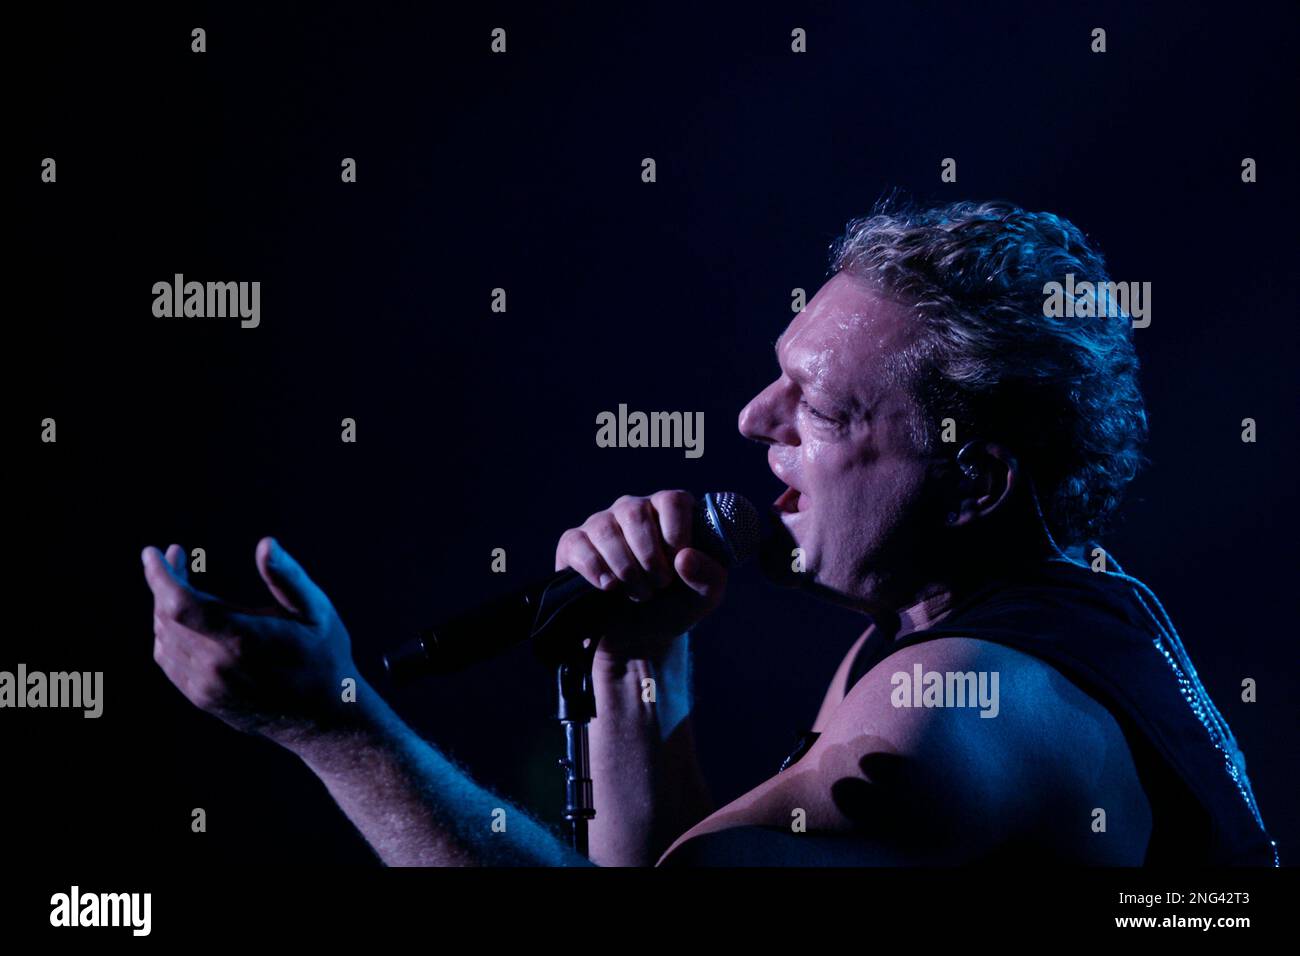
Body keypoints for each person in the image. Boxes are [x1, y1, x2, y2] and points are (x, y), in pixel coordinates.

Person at [141, 199, 1277, 866]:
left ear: (975, 477)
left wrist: (333, 725)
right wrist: (636, 659)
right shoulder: (1030, 604)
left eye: (822, 410)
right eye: (778, 379)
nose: (751, 422)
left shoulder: (945, 722)